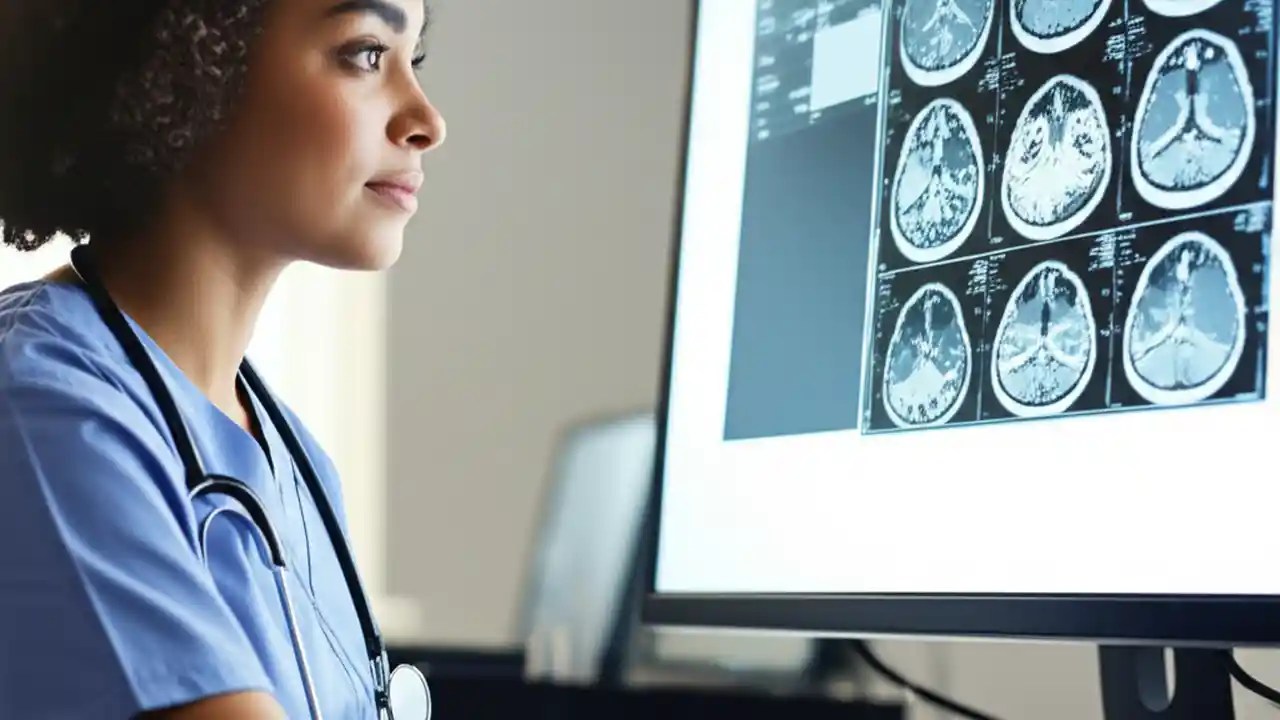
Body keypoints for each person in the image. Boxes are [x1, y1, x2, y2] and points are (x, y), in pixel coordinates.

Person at [0, 0, 445, 717]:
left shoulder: (293, 461)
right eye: (366, 54)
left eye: (412, 60)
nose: (427, 119)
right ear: (190, 69)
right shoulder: (43, 411)